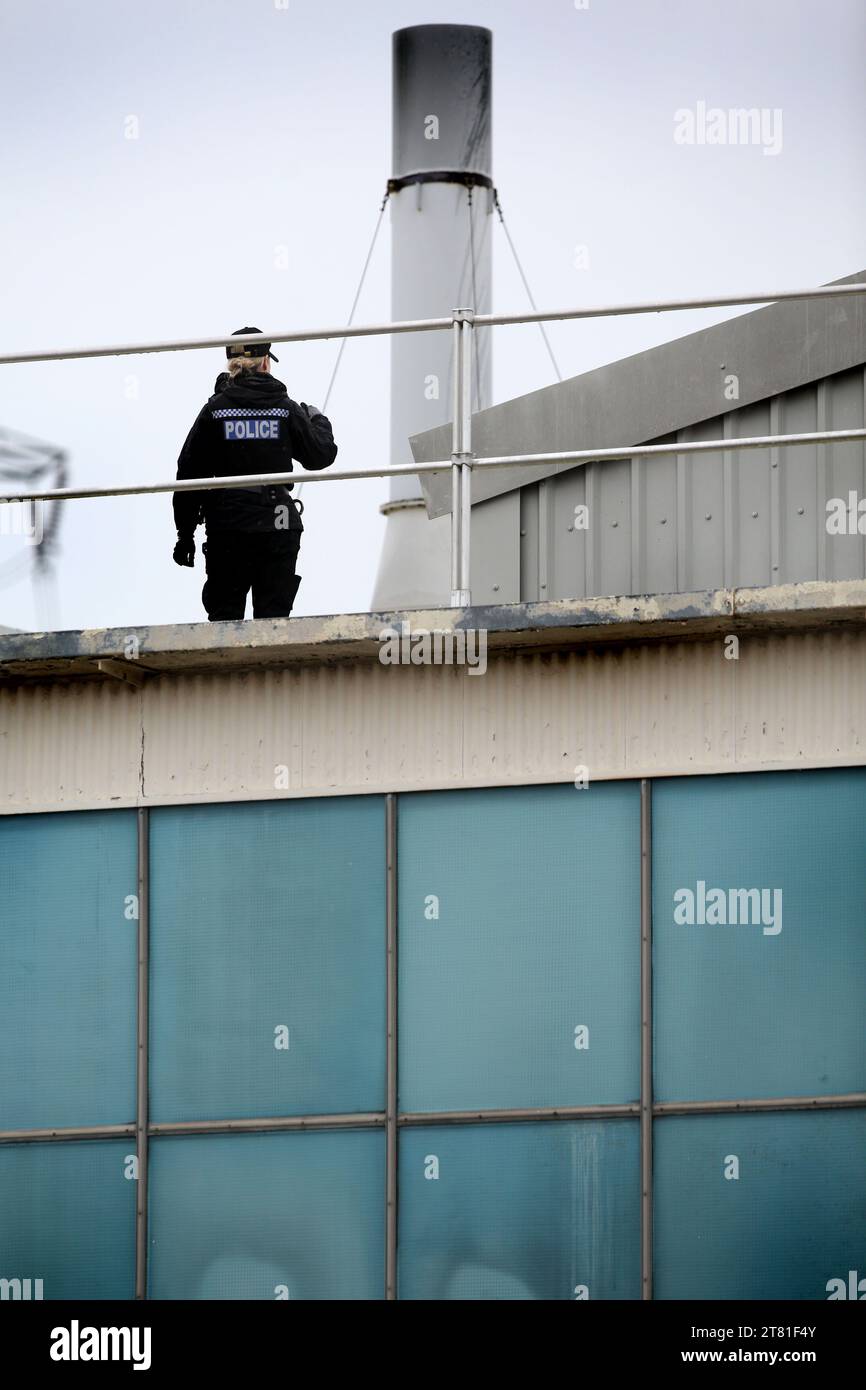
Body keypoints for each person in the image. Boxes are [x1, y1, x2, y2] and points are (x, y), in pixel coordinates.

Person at [172, 327, 337, 620]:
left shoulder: (215, 410)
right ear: (264, 362)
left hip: (228, 523)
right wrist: (319, 421)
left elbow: (188, 473)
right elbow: (320, 456)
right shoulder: (285, 410)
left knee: (224, 618)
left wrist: (185, 535)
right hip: (278, 519)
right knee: (273, 620)